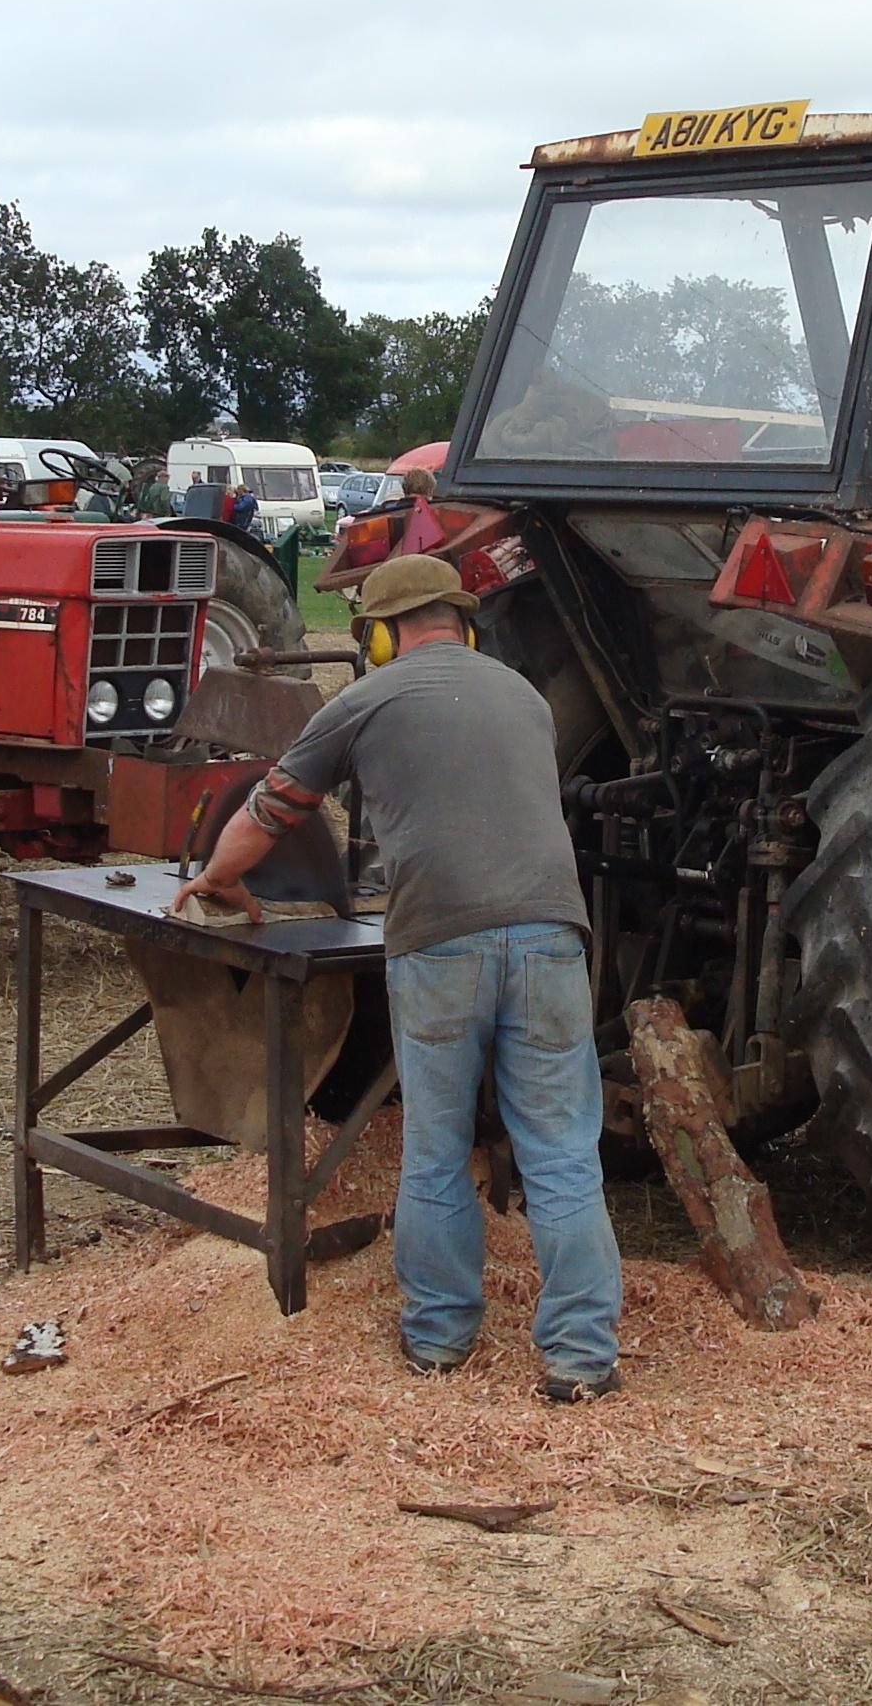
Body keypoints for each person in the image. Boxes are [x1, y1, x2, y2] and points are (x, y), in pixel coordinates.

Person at [174, 552, 622, 1401]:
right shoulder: (526, 698)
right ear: (463, 621)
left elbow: (274, 804)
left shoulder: (365, 699)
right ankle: (580, 1359)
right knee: (563, 1154)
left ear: (379, 634)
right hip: (553, 939)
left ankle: (439, 1340)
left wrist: (220, 878)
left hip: (440, 942)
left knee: (437, 1149)